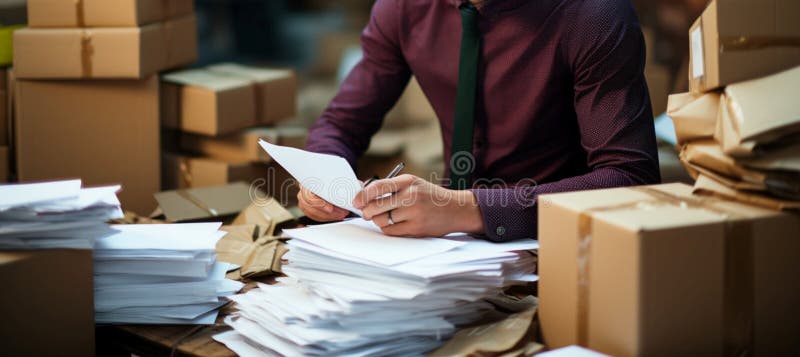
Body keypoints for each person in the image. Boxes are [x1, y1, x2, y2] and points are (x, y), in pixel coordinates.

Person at [298, 0, 661, 241]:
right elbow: (341, 124)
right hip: (448, 249)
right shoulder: (403, 8)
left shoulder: (593, 15)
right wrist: (325, 179)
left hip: (563, 242)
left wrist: (468, 209)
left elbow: (629, 179)